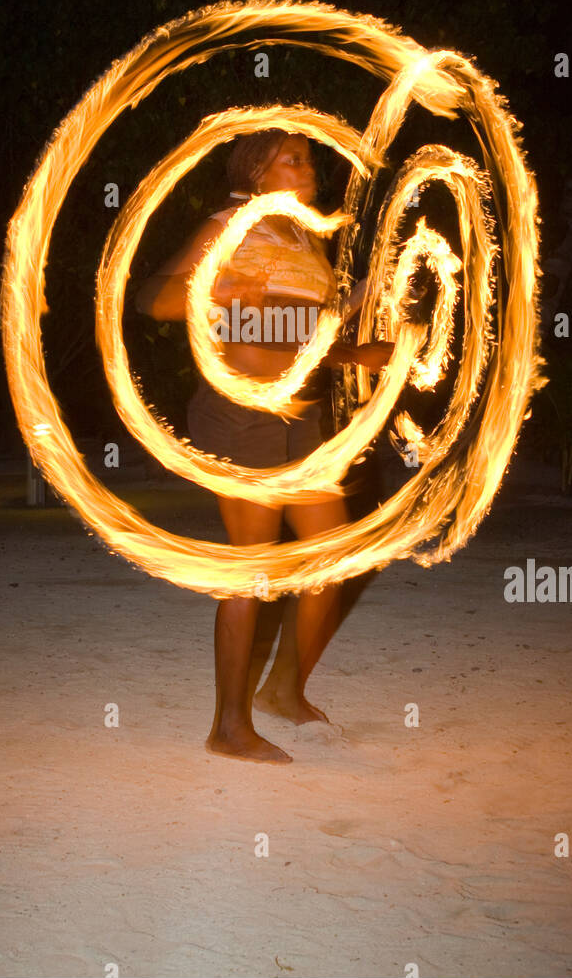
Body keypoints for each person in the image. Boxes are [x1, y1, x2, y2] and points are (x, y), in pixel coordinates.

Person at [135, 130, 392, 764]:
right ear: (257, 170)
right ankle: (228, 727)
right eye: (294, 159)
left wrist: (357, 350)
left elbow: (300, 337)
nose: (310, 168)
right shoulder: (231, 225)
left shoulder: (308, 242)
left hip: (298, 420)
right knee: (253, 569)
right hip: (240, 415)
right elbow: (155, 298)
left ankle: (284, 689)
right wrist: (217, 291)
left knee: (331, 558)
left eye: (308, 158)